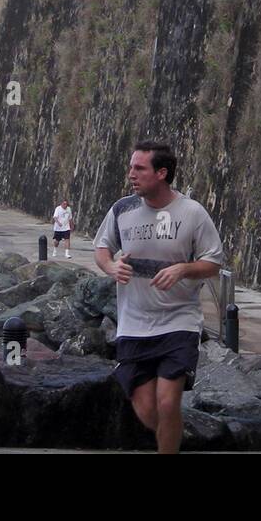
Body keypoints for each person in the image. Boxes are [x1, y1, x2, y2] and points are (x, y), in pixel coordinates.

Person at [93, 141, 225, 455]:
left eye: (139, 168)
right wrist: (111, 267)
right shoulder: (121, 209)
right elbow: (101, 249)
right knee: (146, 410)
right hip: (134, 323)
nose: (131, 175)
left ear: (162, 173)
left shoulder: (192, 212)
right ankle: (175, 438)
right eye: (131, 167)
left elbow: (214, 262)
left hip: (179, 320)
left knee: (168, 403)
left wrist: (182, 269)